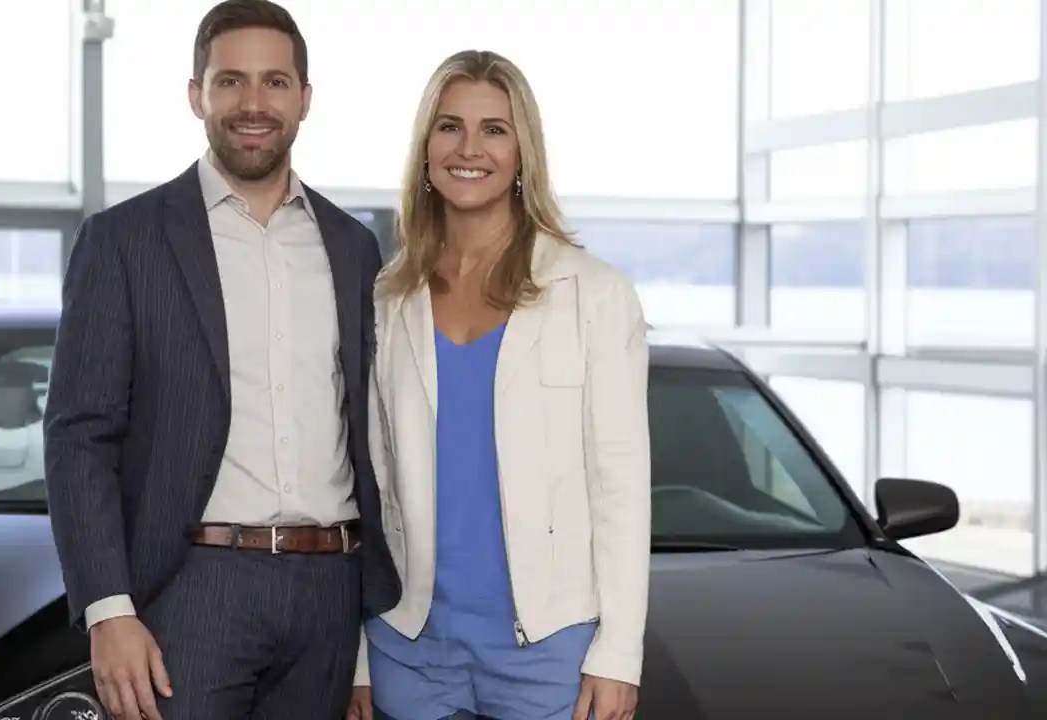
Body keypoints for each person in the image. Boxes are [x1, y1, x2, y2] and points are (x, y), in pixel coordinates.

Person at [43, 1, 401, 718]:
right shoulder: (124, 242)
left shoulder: (353, 248)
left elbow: (367, 442)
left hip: (330, 590)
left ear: (304, 98)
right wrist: (108, 609)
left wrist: (366, 637)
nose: (253, 104)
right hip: (194, 588)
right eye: (230, 81)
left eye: (274, 82)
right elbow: (80, 436)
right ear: (196, 94)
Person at [347, 50, 652, 720]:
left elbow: (621, 489)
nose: (469, 148)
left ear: (523, 153)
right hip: (408, 644)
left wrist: (619, 653)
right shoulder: (387, 298)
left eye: (494, 129)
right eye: (449, 126)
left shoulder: (593, 294)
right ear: (425, 149)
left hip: (551, 648)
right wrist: (362, 656)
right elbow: (373, 487)